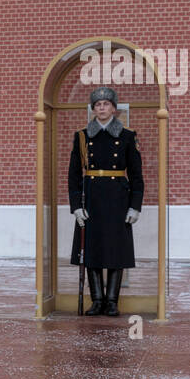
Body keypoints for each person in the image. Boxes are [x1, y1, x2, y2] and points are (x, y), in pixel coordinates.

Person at [69, 86, 144, 316]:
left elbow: (137, 175)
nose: (102, 108)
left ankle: (112, 301)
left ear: (114, 108)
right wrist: (76, 206)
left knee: (115, 251)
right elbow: (73, 174)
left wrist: (135, 206)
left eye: (106, 104)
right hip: (91, 198)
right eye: (98, 105)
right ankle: (97, 300)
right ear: (94, 109)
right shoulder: (82, 136)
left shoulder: (127, 136)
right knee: (90, 250)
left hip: (117, 199)